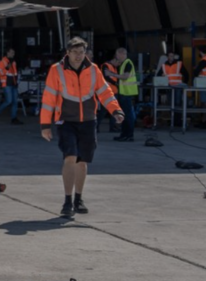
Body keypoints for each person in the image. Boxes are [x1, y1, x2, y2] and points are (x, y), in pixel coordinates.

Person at [40, 37, 121, 218]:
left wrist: (116, 111)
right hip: (66, 121)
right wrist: (45, 125)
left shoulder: (93, 70)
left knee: (82, 162)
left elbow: (105, 93)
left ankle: (78, 199)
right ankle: (67, 201)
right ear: (67, 53)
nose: (78, 56)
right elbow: (48, 99)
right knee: (70, 157)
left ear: (86, 53)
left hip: (88, 121)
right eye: (75, 52)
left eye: (81, 52)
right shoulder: (56, 70)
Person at [112, 45, 139, 142]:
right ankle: (124, 134)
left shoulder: (128, 63)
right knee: (124, 115)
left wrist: (112, 74)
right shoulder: (123, 64)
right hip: (123, 93)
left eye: (117, 54)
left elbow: (125, 77)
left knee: (128, 115)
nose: (116, 56)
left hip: (127, 93)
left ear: (122, 54)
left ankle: (129, 135)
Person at [0, 48, 21, 124]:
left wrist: (16, 81)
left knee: (15, 102)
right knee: (9, 101)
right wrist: (7, 68)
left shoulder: (13, 62)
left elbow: (15, 73)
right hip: (6, 84)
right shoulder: (3, 62)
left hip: (13, 84)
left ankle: (14, 118)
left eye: (13, 53)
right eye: (11, 53)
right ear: (7, 53)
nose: (13, 54)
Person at [102, 50, 123, 132]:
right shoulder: (105, 65)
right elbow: (106, 77)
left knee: (114, 110)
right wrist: (115, 83)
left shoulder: (114, 67)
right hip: (107, 91)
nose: (119, 65)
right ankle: (96, 126)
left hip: (114, 91)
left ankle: (113, 127)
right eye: (119, 63)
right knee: (103, 111)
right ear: (115, 60)